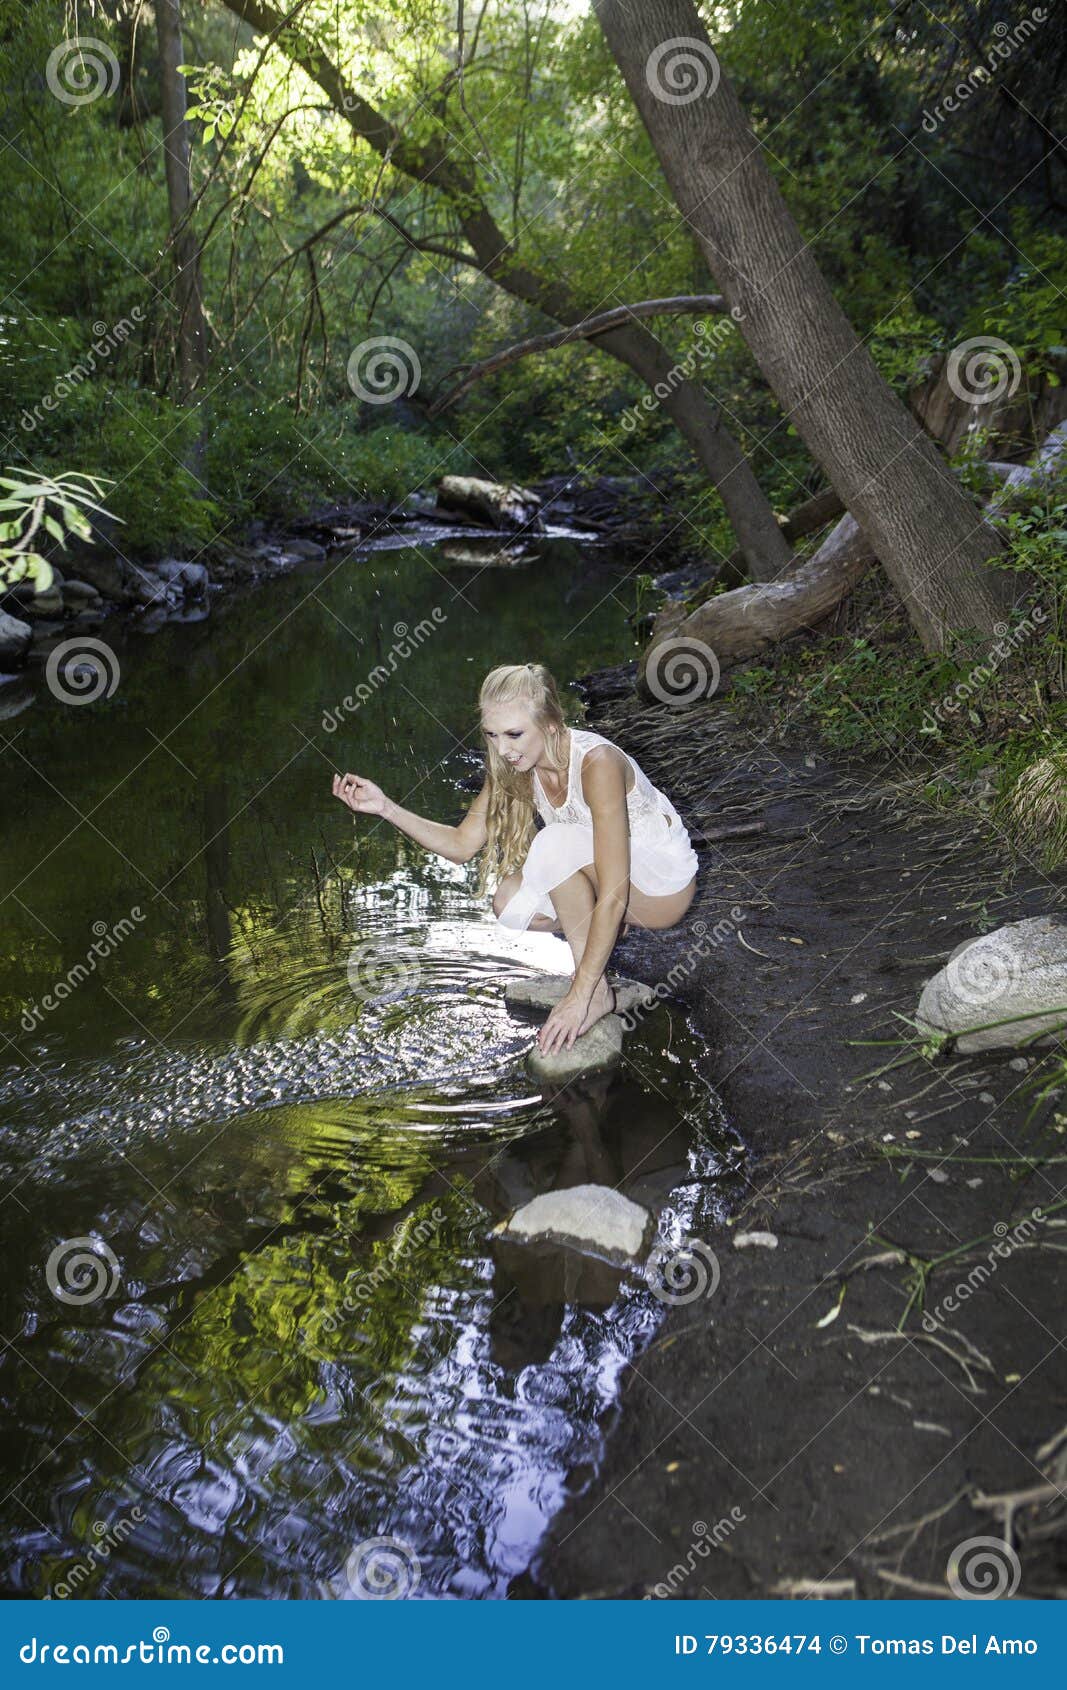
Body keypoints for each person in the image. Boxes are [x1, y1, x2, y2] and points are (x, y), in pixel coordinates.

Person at [331, 662, 698, 1056]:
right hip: (614, 881)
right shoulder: (513, 764)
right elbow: (461, 844)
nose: (503, 748)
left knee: (554, 844)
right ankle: (598, 951)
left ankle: (594, 993)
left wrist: (578, 994)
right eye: (492, 734)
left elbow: (614, 892)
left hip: (661, 886)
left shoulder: (597, 764)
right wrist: (386, 807)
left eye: (514, 734)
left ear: (551, 723)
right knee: (507, 903)